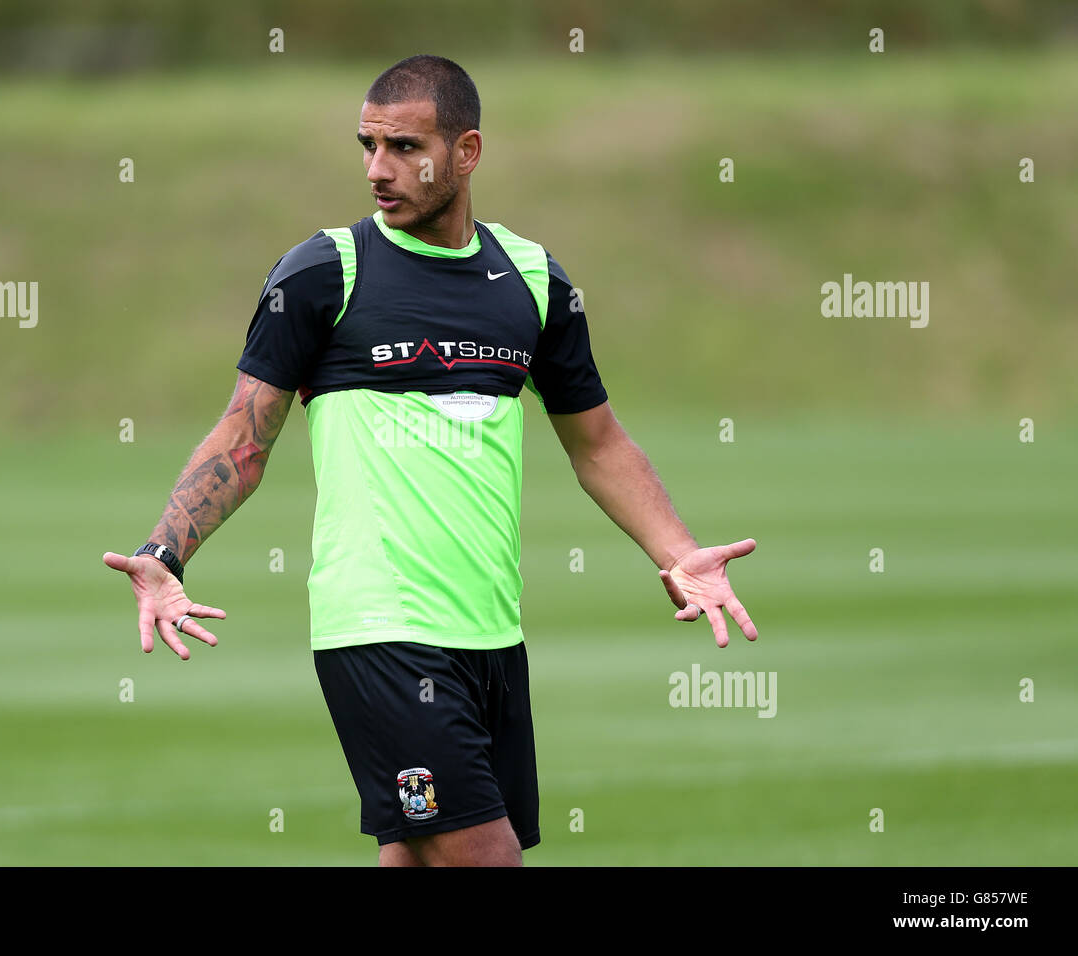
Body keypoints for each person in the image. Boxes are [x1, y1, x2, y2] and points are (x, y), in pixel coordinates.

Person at [104, 54, 758, 867]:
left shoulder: (532, 280)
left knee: (418, 857)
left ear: (467, 151)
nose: (378, 169)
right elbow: (244, 436)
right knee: (487, 858)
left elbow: (598, 442)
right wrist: (166, 552)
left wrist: (678, 552)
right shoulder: (324, 273)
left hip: (490, 631)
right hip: (380, 627)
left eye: (405, 147)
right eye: (367, 144)